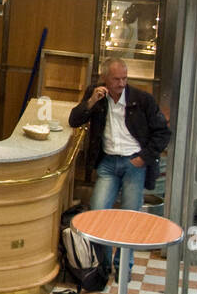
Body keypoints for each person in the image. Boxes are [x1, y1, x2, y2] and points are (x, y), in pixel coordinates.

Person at [68, 58, 171, 266]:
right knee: (98, 212)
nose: (121, 83)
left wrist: (143, 158)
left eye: (125, 78)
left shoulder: (142, 99)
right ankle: (104, 266)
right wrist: (90, 102)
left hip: (134, 162)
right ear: (104, 78)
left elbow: (163, 133)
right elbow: (74, 120)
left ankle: (124, 266)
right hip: (107, 162)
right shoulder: (96, 94)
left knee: (129, 217)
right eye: (116, 79)